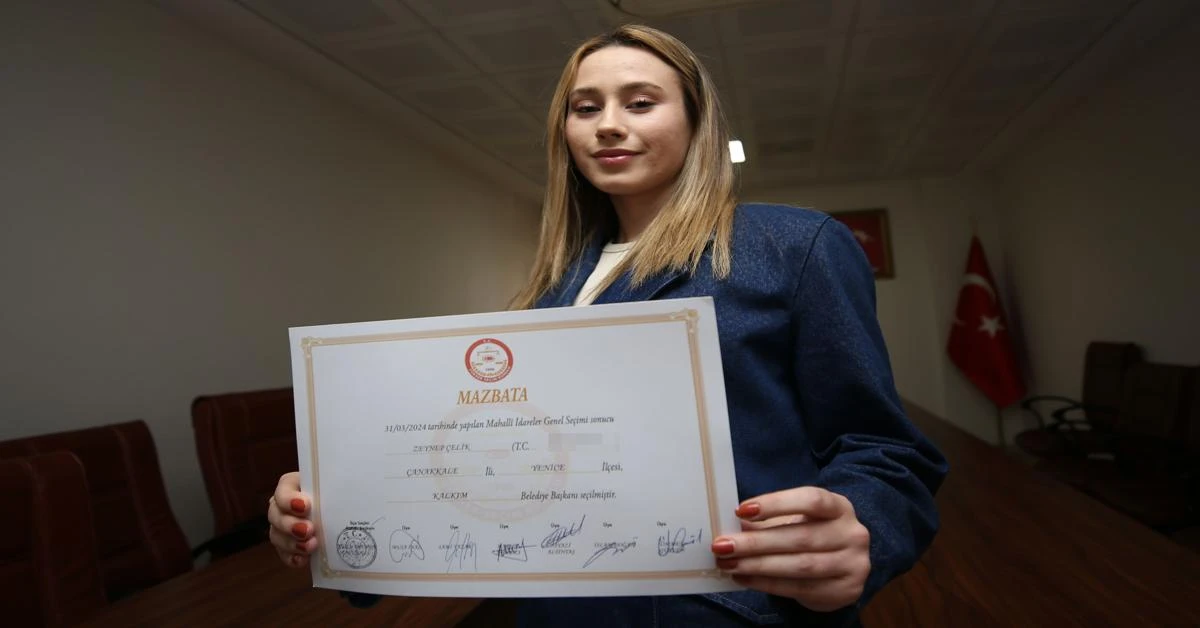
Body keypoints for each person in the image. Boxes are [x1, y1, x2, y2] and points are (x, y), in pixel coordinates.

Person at [267, 24, 947, 627]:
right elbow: (505, 475)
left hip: (734, 611)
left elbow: (883, 450)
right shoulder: (549, 296)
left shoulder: (790, 246)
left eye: (641, 102)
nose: (608, 125)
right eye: (584, 108)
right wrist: (336, 508)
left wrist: (862, 526)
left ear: (695, 121)